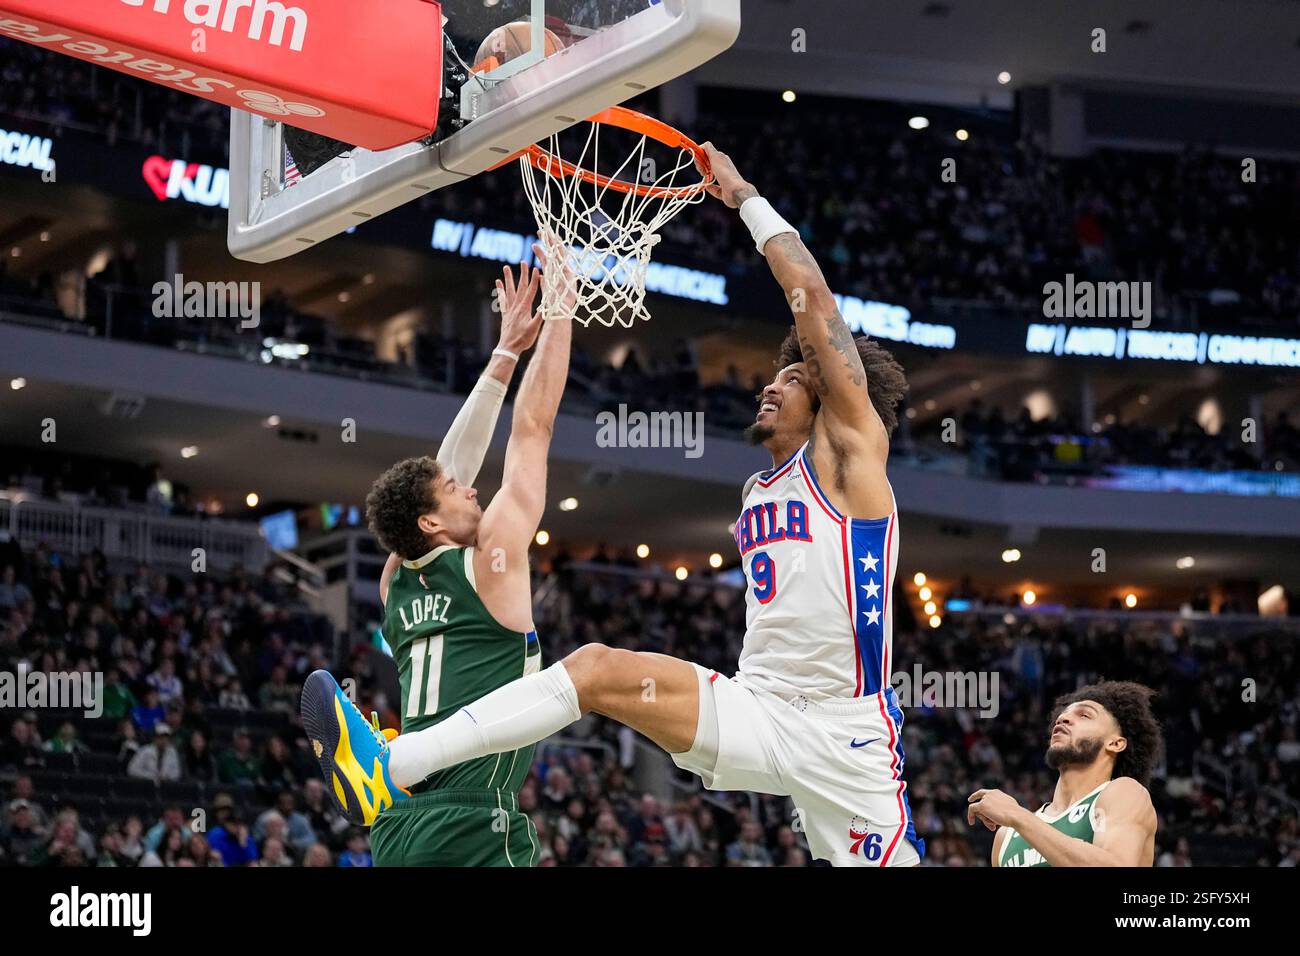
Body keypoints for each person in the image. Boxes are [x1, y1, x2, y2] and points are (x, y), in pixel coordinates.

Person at [306, 144, 921, 868]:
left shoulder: (851, 456)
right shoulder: (762, 486)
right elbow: (483, 454)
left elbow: (813, 303)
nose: (771, 385)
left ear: (829, 394)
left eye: (792, 376)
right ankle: (393, 764)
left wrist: (746, 196)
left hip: (847, 734)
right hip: (761, 705)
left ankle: (397, 762)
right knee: (594, 668)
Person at [301, 246, 575, 866]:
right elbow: (533, 429)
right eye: (456, 493)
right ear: (430, 521)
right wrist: (561, 310)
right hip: (473, 815)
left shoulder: (396, 578)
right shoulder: (491, 561)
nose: (470, 485)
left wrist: (506, 353)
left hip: (398, 819)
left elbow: (442, 471)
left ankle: (368, 760)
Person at [969, 681, 1161, 867]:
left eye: (1084, 715)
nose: (1063, 719)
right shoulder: (1006, 836)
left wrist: (1017, 815)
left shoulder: (1123, 793)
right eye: (1063, 714)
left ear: (1115, 743)